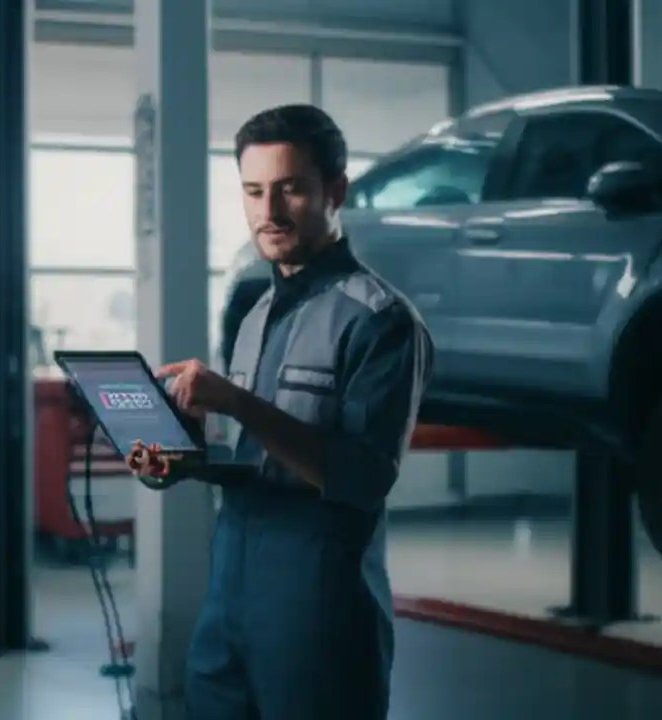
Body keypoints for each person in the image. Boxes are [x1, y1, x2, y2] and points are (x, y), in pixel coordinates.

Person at [128, 104, 434, 719]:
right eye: (253, 191)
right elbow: (255, 458)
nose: (267, 213)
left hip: (318, 611)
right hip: (229, 599)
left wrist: (237, 401)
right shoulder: (253, 308)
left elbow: (362, 477)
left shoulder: (382, 321)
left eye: (290, 189)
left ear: (336, 191)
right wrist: (185, 460)